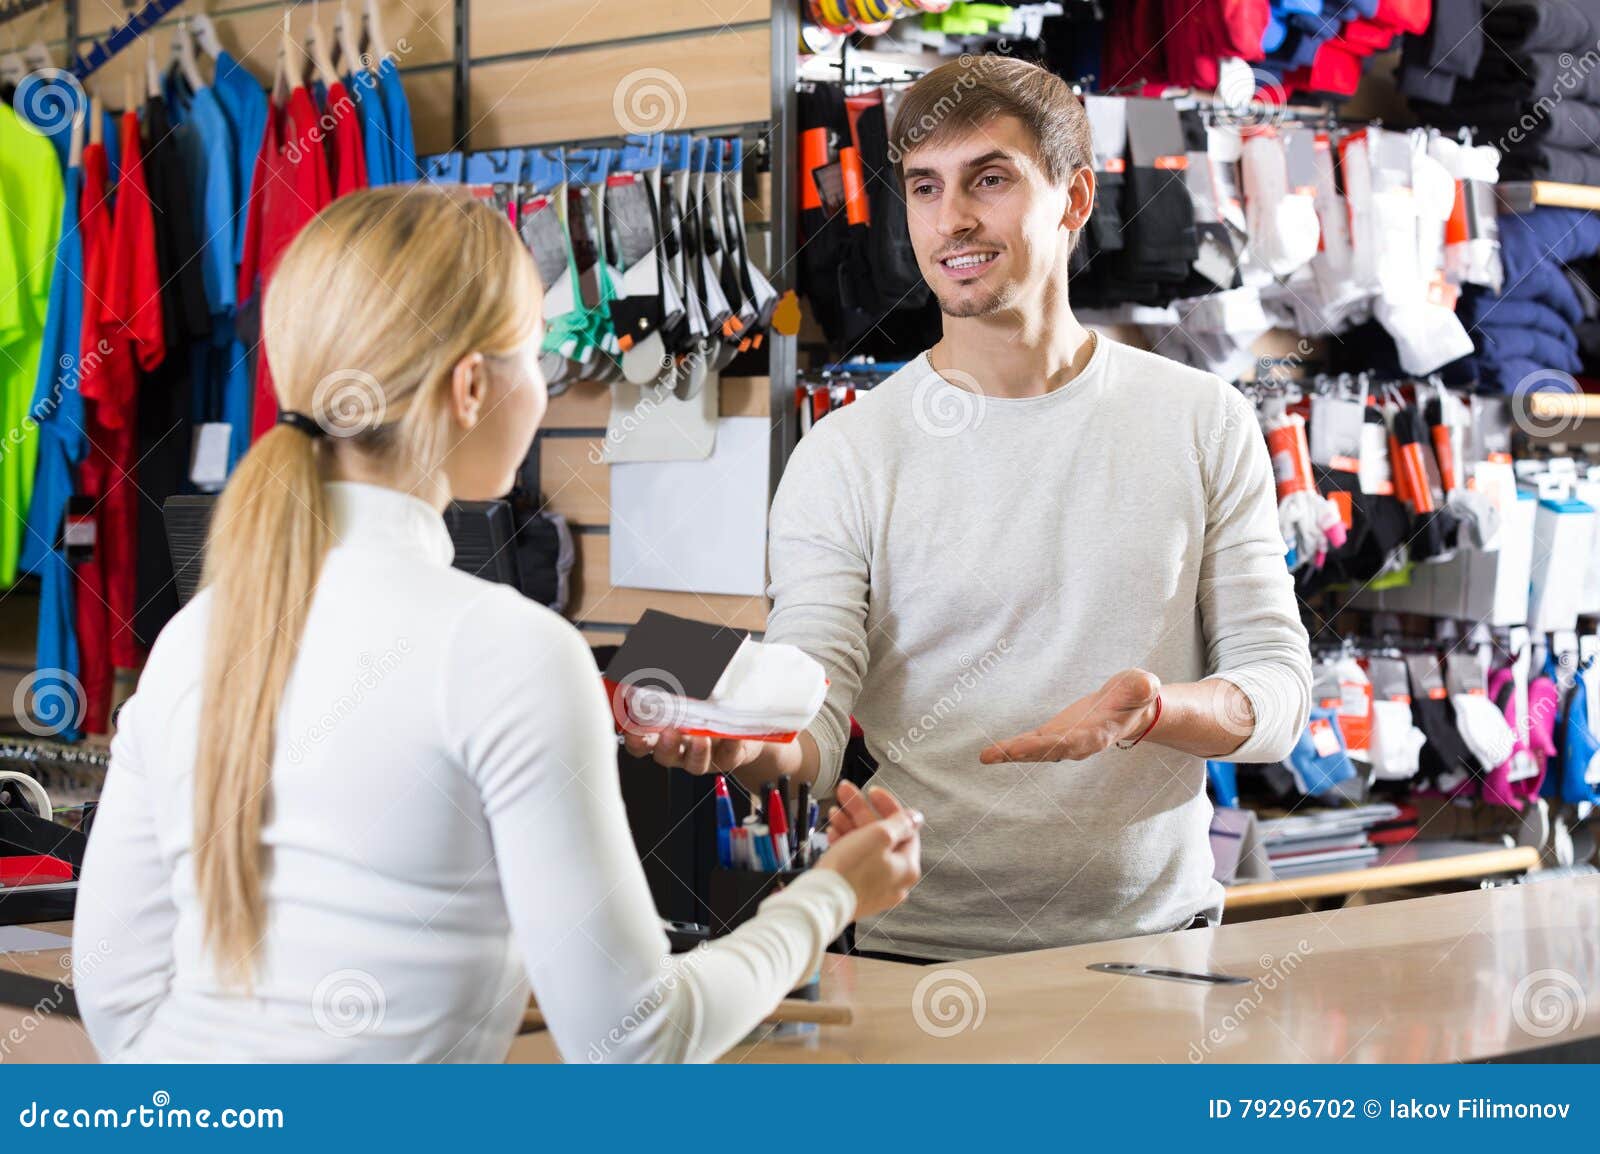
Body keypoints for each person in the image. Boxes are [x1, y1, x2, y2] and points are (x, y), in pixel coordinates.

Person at [72, 187, 922, 1062]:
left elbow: (117, 1000)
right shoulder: (504, 648)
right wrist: (829, 895)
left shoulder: (194, 638)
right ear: (472, 385)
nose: (546, 386)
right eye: (537, 354)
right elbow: (637, 1040)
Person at [631, 57, 1312, 962]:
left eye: (988, 180)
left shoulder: (1203, 419)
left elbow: (1278, 697)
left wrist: (1154, 710)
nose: (951, 220)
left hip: (1154, 949)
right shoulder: (847, 452)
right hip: (917, 951)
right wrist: (737, 742)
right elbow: (816, 726)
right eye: (924, 187)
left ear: (1073, 201)